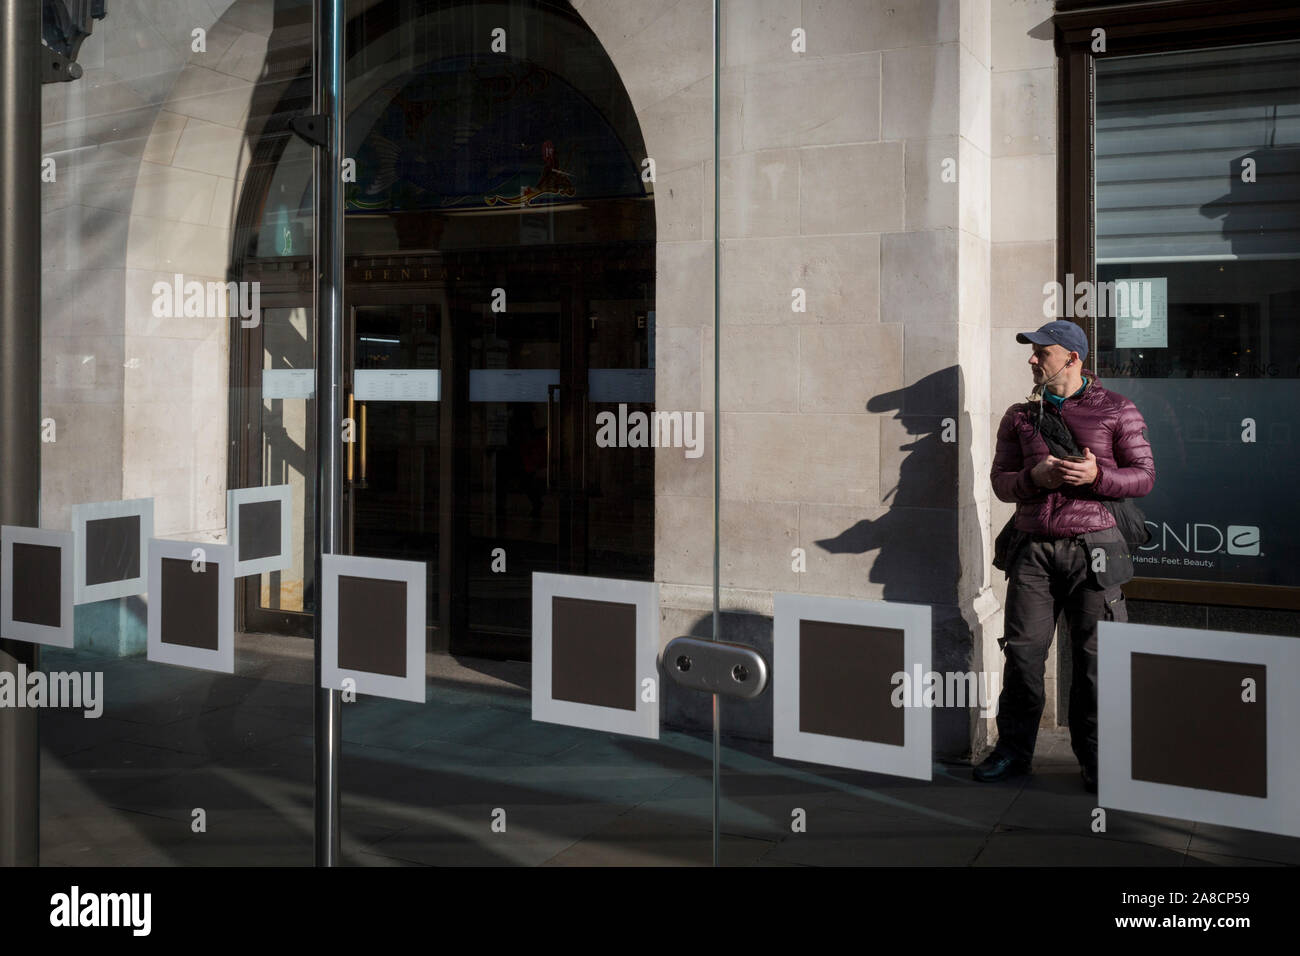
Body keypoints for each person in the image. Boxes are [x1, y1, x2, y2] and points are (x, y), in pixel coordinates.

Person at [975, 320, 1155, 792]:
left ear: (1073, 359)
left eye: (1043, 353)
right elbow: (1000, 483)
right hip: (1032, 551)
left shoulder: (1117, 409)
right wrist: (1036, 479)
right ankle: (1013, 753)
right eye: (1032, 353)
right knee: (1023, 656)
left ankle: (1098, 760)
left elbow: (1144, 477)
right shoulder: (1019, 416)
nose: (1032, 360)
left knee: (1096, 662)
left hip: (1095, 551)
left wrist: (1095, 477)